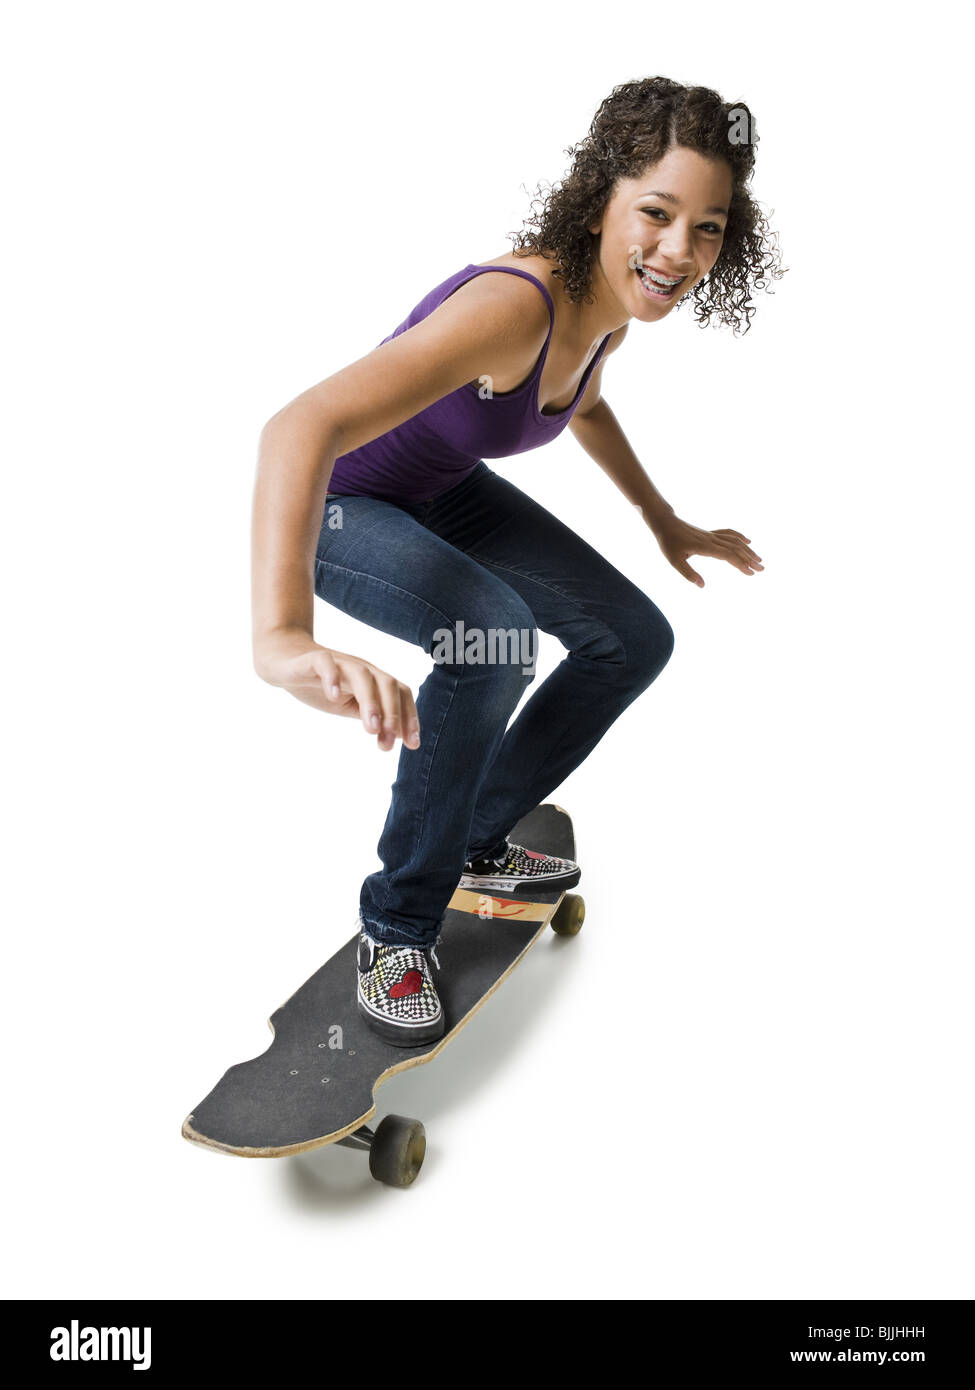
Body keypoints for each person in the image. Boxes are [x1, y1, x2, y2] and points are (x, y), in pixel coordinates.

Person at [250, 75, 785, 1047]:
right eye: (657, 214)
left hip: (436, 490)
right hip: (342, 504)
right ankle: (397, 926)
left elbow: (578, 399)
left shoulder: (613, 302)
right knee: (494, 641)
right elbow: (300, 427)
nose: (679, 251)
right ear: (602, 200)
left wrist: (659, 516)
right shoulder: (515, 305)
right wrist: (283, 635)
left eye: (707, 228)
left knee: (630, 637)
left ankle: (475, 841)